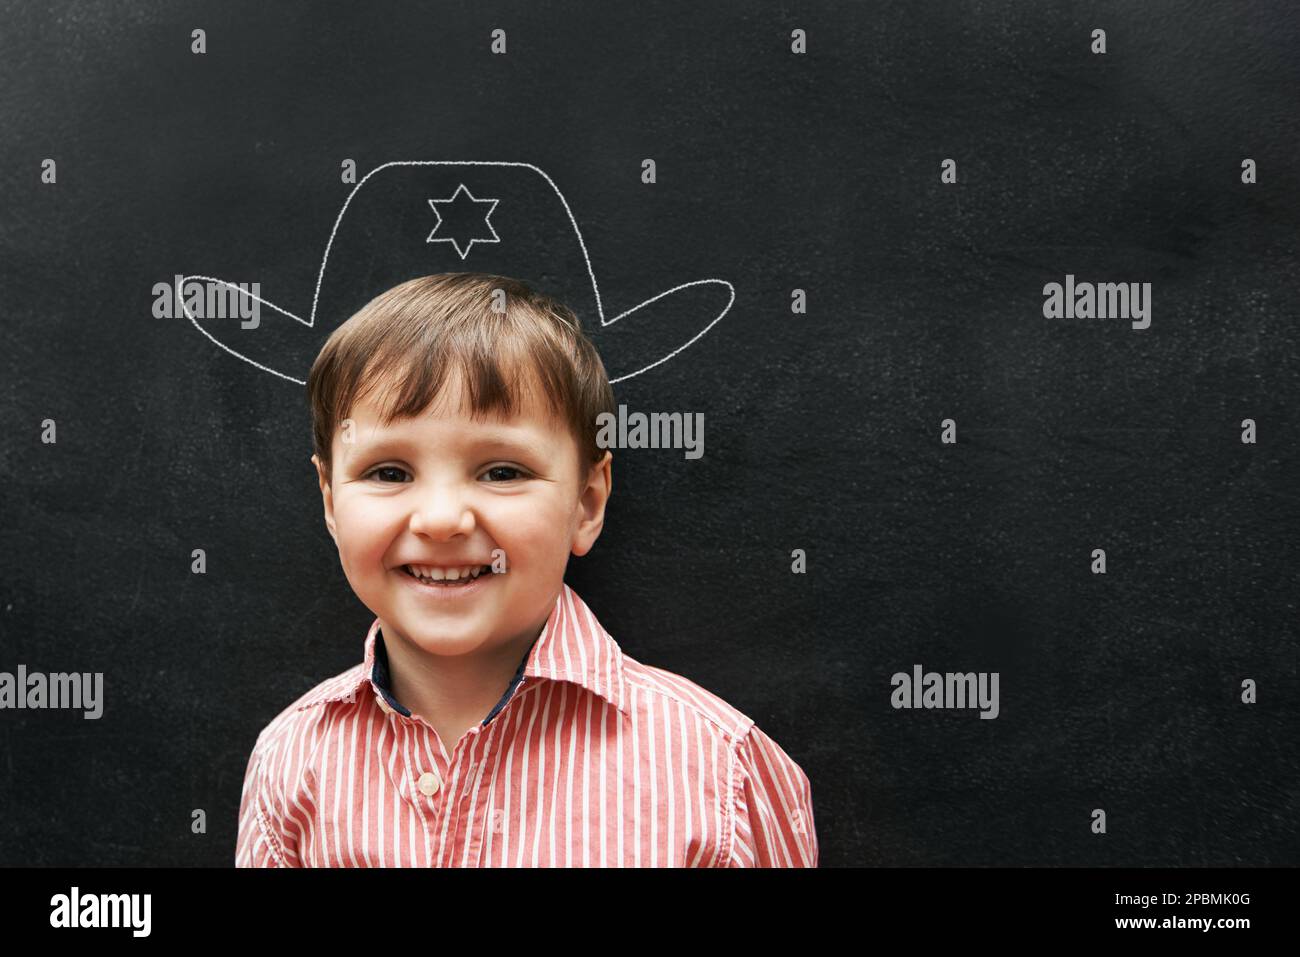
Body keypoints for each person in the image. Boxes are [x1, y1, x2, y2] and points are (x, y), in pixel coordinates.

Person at [235, 272, 817, 867]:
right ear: (332, 503)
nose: (441, 519)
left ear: (587, 504)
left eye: (502, 472)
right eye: (388, 472)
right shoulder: (291, 759)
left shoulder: (719, 770)